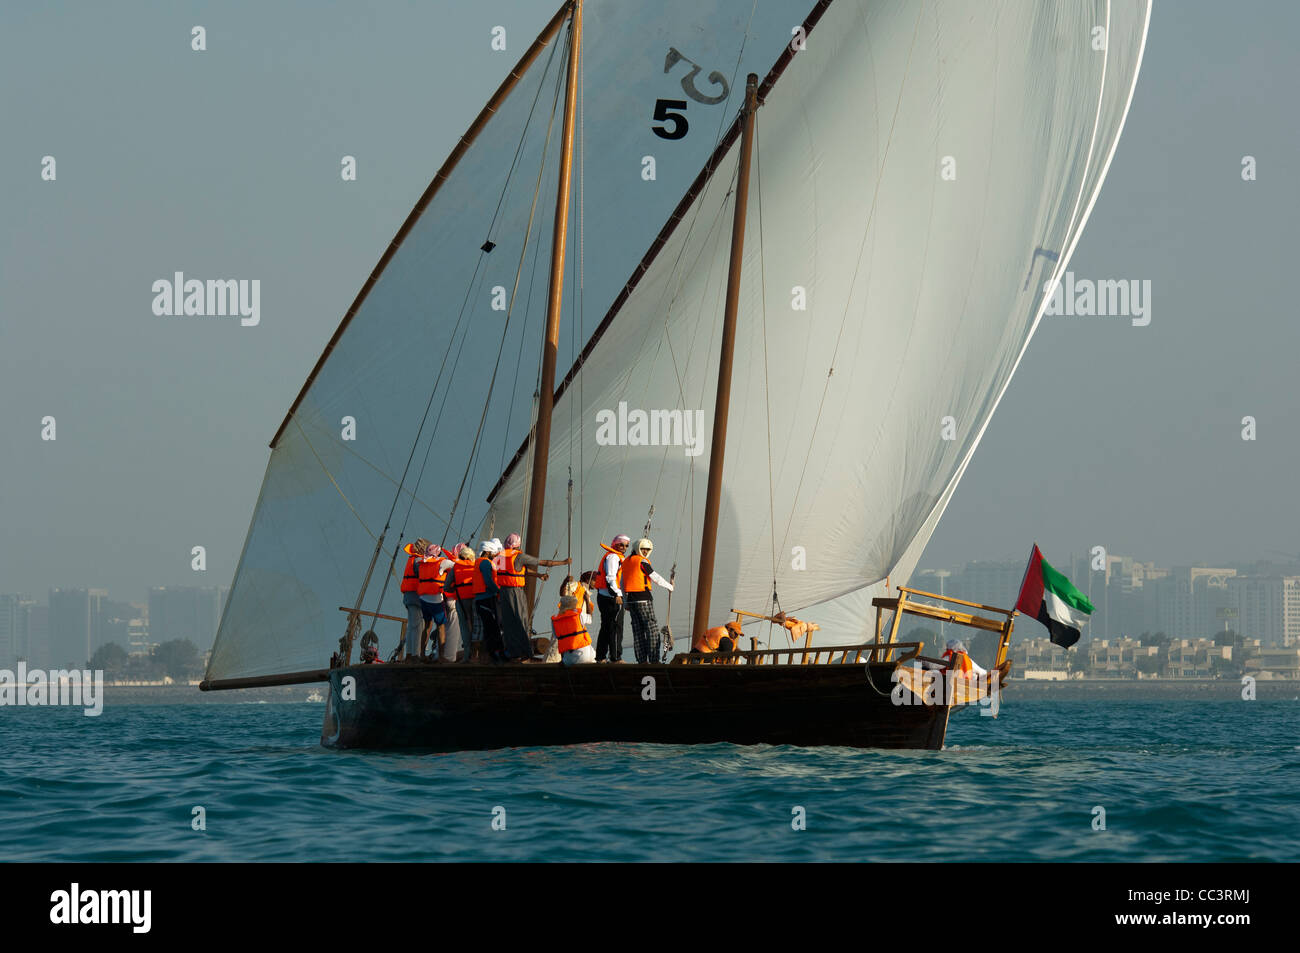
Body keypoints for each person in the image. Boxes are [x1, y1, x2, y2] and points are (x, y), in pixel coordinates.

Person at [496, 532, 570, 661]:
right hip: (515, 592)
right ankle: (525, 652)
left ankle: (510, 651)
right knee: (521, 620)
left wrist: (538, 575)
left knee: (508, 623)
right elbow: (545, 562)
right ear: (518, 545)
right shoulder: (519, 557)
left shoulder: (500, 557)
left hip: (503, 592)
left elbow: (515, 572)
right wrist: (563, 562)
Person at [619, 537, 674, 663]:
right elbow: (654, 576)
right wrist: (669, 586)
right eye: (643, 549)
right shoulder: (642, 561)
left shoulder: (626, 562)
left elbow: (622, 583)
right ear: (638, 548)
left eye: (647, 549)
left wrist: (626, 600)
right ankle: (654, 661)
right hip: (643, 599)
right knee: (652, 630)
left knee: (638, 632)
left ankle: (642, 661)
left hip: (631, 601)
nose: (645, 551)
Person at [592, 534, 630, 662]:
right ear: (615, 544)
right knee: (615, 627)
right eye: (621, 545)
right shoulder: (613, 557)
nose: (624, 548)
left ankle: (601, 657)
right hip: (611, 597)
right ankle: (616, 658)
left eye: (626, 546)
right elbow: (610, 577)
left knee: (607, 627)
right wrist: (618, 595)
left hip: (605, 596)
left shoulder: (614, 556)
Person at [470, 539, 506, 662]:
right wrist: (498, 590)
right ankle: (495, 654)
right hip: (486, 599)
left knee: (488, 627)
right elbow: (488, 580)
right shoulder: (485, 563)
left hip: (480, 599)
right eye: (492, 552)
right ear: (487, 552)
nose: (494, 555)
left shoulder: (478, 562)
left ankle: (491, 654)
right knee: (492, 627)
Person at [416, 542, 454, 659]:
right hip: (436, 599)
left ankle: (422, 654)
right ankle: (441, 657)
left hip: (423, 599)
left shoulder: (419, 562)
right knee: (441, 626)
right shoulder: (443, 562)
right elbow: (457, 564)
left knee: (427, 626)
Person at [399, 538, 430, 660]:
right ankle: (415, 654)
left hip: (409, 596)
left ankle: (409, 653)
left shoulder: (412, 559)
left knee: (412, 625)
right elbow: (422, 575)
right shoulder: (418, 561)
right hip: (416, 597)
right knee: (418, 626)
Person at [451, 544, 479, 662]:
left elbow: (447, 586)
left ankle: (467, 654)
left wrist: (456, 589)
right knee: (476, 627)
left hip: (461, 601)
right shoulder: (476, 566)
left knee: (464, 628)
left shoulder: (455, 568)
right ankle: (476, 655)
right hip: (475, 600)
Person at [552, 594, 596, 665]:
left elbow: (558, 637)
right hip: (587, 656)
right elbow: (590, 618)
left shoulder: (554, 620)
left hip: (569, 659)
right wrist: (587, 601)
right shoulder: (579, 615)